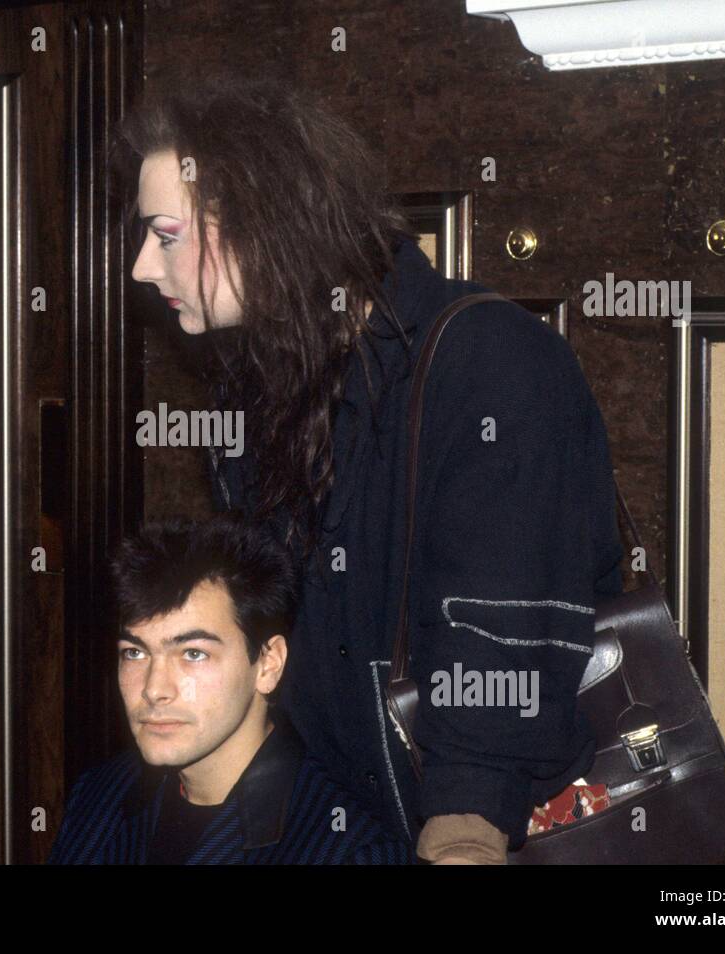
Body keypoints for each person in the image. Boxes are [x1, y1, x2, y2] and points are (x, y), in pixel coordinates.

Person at [114, 71, 625, 864]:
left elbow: (499, 638)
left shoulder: (487, 362)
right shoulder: (261, 386)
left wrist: (463, 834)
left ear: (263, 225)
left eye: (166, 234)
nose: (144, 266)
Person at [48, 515, 410, 864]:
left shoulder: (348, 850)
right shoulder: (98, 797)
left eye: (193, 653)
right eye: (135, 652)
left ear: (268, 664)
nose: (154, 690)